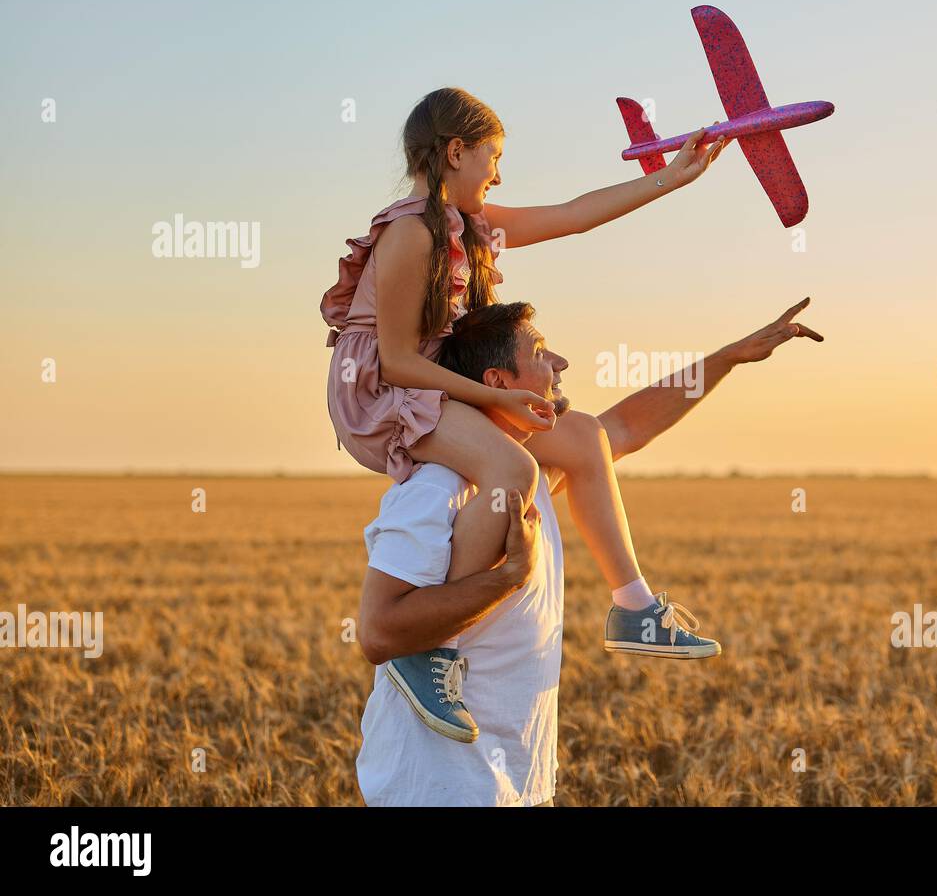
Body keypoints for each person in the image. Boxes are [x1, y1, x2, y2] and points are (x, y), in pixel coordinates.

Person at [322, 87, 731, 741]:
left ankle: (633, 608)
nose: (499, 173)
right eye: (494, 156)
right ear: (456, 153)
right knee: (510, 468)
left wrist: (671, 180)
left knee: (584, 438)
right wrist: (496, 399)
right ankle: (426, 643)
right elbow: (397, 360)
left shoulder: (471, 226)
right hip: (382, 391)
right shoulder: (409, 233)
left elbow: (572, 215)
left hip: (444, 381)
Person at [355, 298, 822, 805]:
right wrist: (510, 576)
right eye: (539, 352)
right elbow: (379, 632)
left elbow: (619, 431)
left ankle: (634, 609)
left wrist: (728, 358)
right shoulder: (436, 488)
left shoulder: (528, 479)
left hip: (519, 786)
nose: (560, 363)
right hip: (437, 789)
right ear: (498, 382)